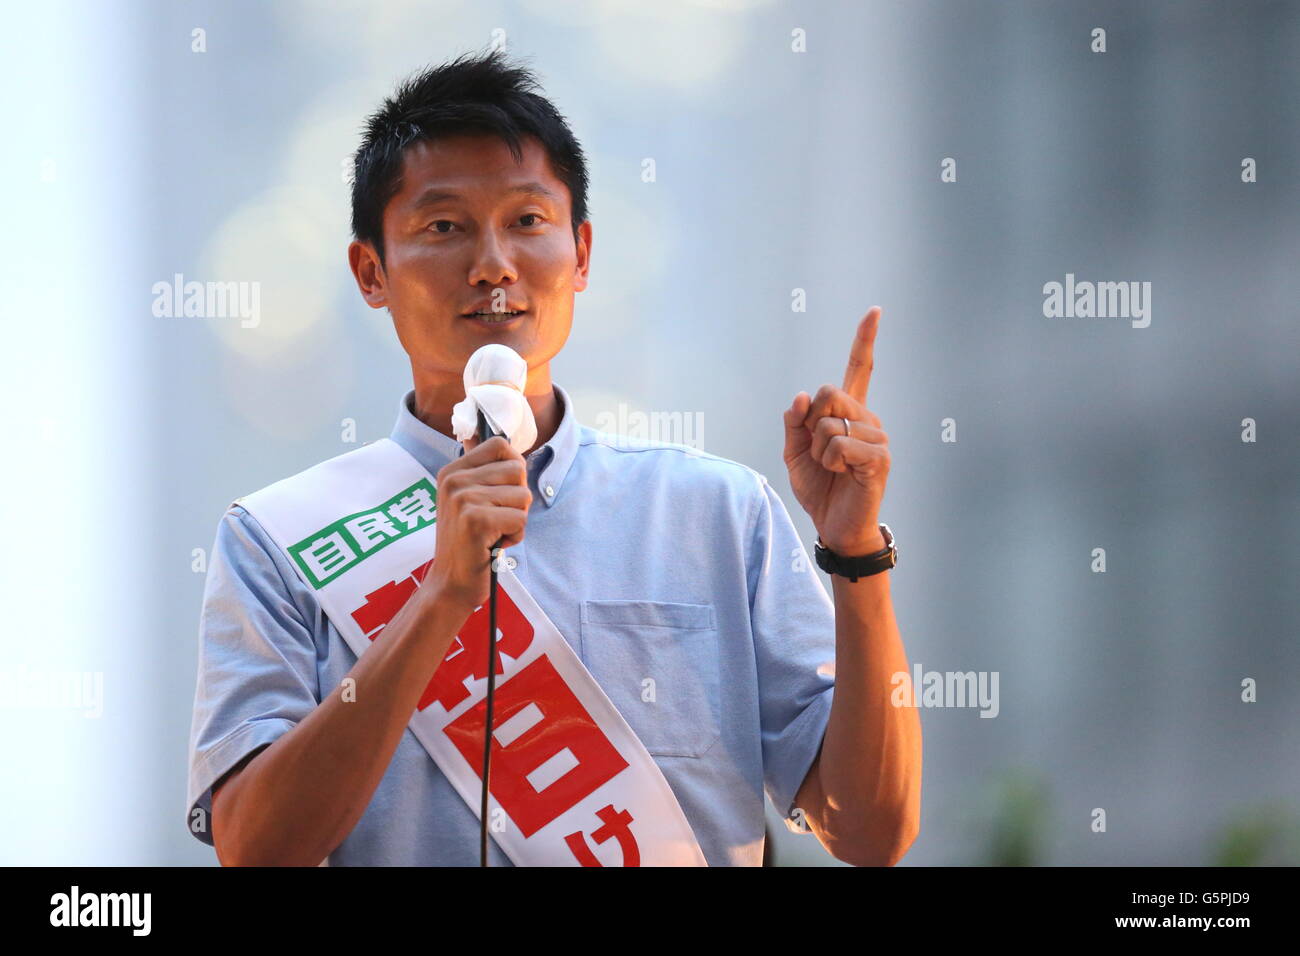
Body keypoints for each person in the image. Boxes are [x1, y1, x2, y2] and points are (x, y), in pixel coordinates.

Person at [185, 48, 921, 867]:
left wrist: (856, 556)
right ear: (371, 272)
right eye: (443, 226)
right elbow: (254, 845)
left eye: (528, 222)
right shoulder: (278, 538)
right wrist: (440, 599)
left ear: (583, 254)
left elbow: (872, 831)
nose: (493, 265)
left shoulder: (718, 514)